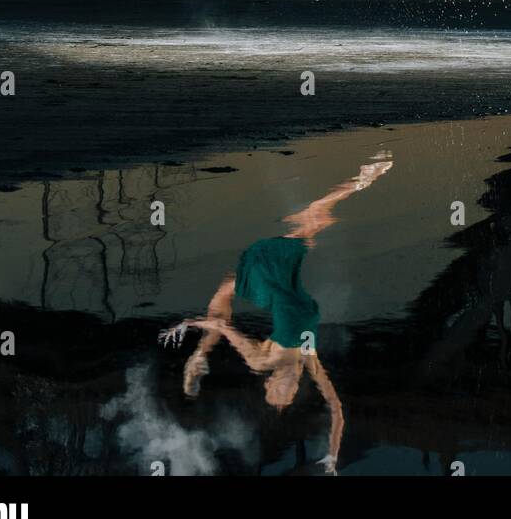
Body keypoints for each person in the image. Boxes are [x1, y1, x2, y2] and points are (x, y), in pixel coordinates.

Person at [159, 155, 394, 475]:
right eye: (290, 394)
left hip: (275, 290)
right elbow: (337, 409)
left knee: (233, 286)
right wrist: (333, 457)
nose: (285, 392)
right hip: (292, 295)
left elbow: (224, 327)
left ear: (268, 384)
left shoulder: (262, 361)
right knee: (310, 224)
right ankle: (360, 180)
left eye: (276, 394)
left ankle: (360, 180)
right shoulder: (307, 359)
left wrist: (186, 325)